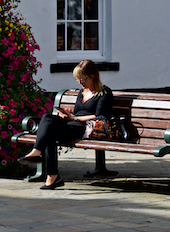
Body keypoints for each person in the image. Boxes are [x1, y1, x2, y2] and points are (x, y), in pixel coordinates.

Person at [19, 59, 113, 190]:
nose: (80, 83)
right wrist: (67, 114)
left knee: (49, 134)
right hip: (74, 122)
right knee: (47, 117)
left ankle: (51, 175)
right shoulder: (83, 92)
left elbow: (100, 116)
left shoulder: (104, 93)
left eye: (83, 79)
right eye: (77, 79)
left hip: (86, 127)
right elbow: (77, 111)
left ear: (93, 76)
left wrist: (75, 118)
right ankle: (38, 154)